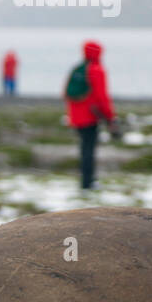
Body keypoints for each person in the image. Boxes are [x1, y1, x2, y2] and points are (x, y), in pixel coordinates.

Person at [64, 40, 120, 190]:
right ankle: (88, 182)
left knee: (84, 150)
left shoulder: (79, 69)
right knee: (89, 150)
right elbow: (102, 97)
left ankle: (85, 181)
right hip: (91, 116)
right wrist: (110, 117)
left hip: (77, 117)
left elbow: (68, 94)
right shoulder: (96, 70)